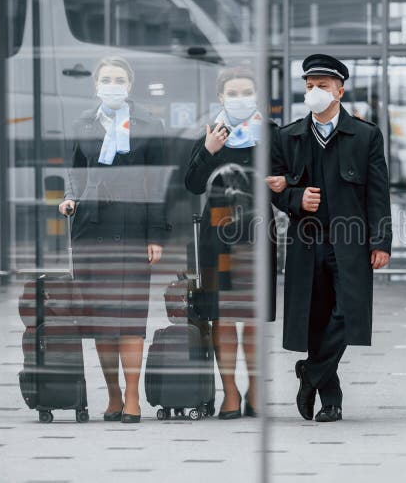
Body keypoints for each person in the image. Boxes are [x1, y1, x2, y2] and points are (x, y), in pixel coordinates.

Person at [271, 54, 392, 423]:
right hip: (307, 242)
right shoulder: (288, 136)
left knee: (348, 312)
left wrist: (381, 241)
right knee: (316, 317)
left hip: (351, 243)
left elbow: (377, 192)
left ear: (340, 90)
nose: (315, 92)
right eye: (309, 87)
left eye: (322, 86)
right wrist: (294, 198)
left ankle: (312, 372)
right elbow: (273, 186)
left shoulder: (366, 134)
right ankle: (331, 400)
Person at [58, 56, 168, 423]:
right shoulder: (83, 123)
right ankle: (114, 395)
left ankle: (134, 397)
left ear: (130, 84)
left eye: (119, 79)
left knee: (131, 316)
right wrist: (70, 197)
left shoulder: (149, 124)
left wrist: (156, 234)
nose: (113, 84)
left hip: (134, 225)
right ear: (96, 85)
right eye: (106, 79)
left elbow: (158, 185)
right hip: (91, 227)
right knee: (101, 318)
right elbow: (73, 170)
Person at [184, 66, 280, 419]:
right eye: (233, 93)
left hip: (257, 233)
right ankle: (230, 394)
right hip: (217, 234)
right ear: (221, 97)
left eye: (246, 92)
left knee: (253, 318)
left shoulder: (270, 134)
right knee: (221, 318)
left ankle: (256, 390)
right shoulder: (211, 133)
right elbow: (192, 185)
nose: (240, 99)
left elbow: (287, 180)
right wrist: (208, 151)